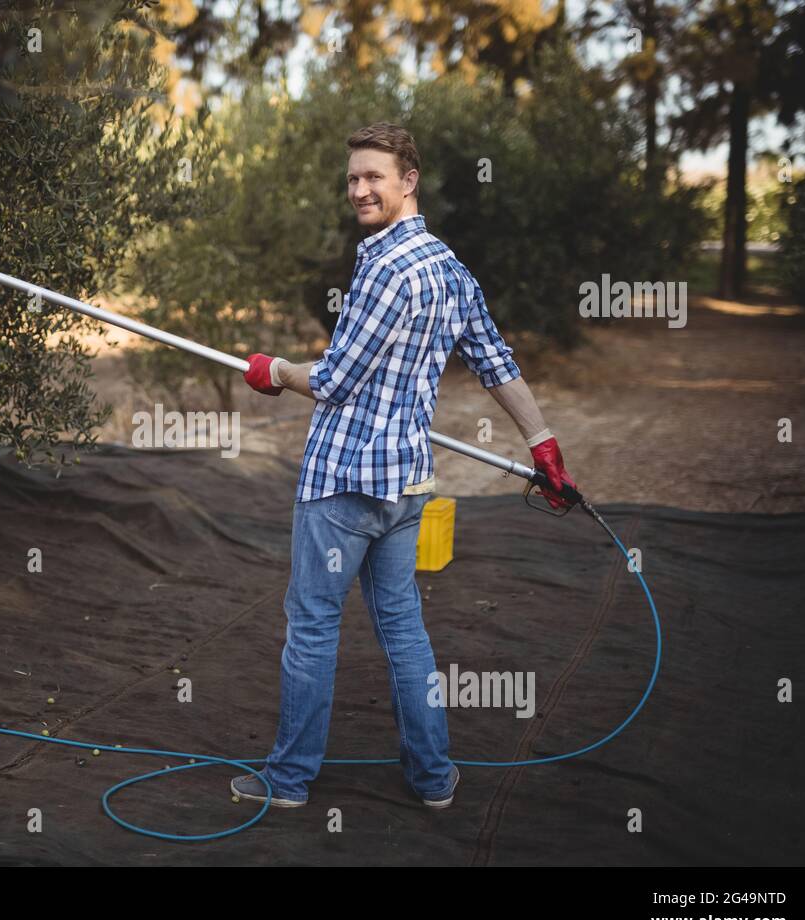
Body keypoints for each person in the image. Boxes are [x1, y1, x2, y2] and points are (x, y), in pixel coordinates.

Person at [235, 122, 577, 810]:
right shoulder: (451, 270)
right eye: (353, 177)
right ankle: (433, 779)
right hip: (407, 487)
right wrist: (541, 439)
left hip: (343, 485)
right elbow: (496, 362)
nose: (360, 189)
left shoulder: (386, 268)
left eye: (374, 178)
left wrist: (275, 371)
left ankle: (289, 781)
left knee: (311, 628)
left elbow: (333, 380)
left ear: (409, 181)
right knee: (402, 628)